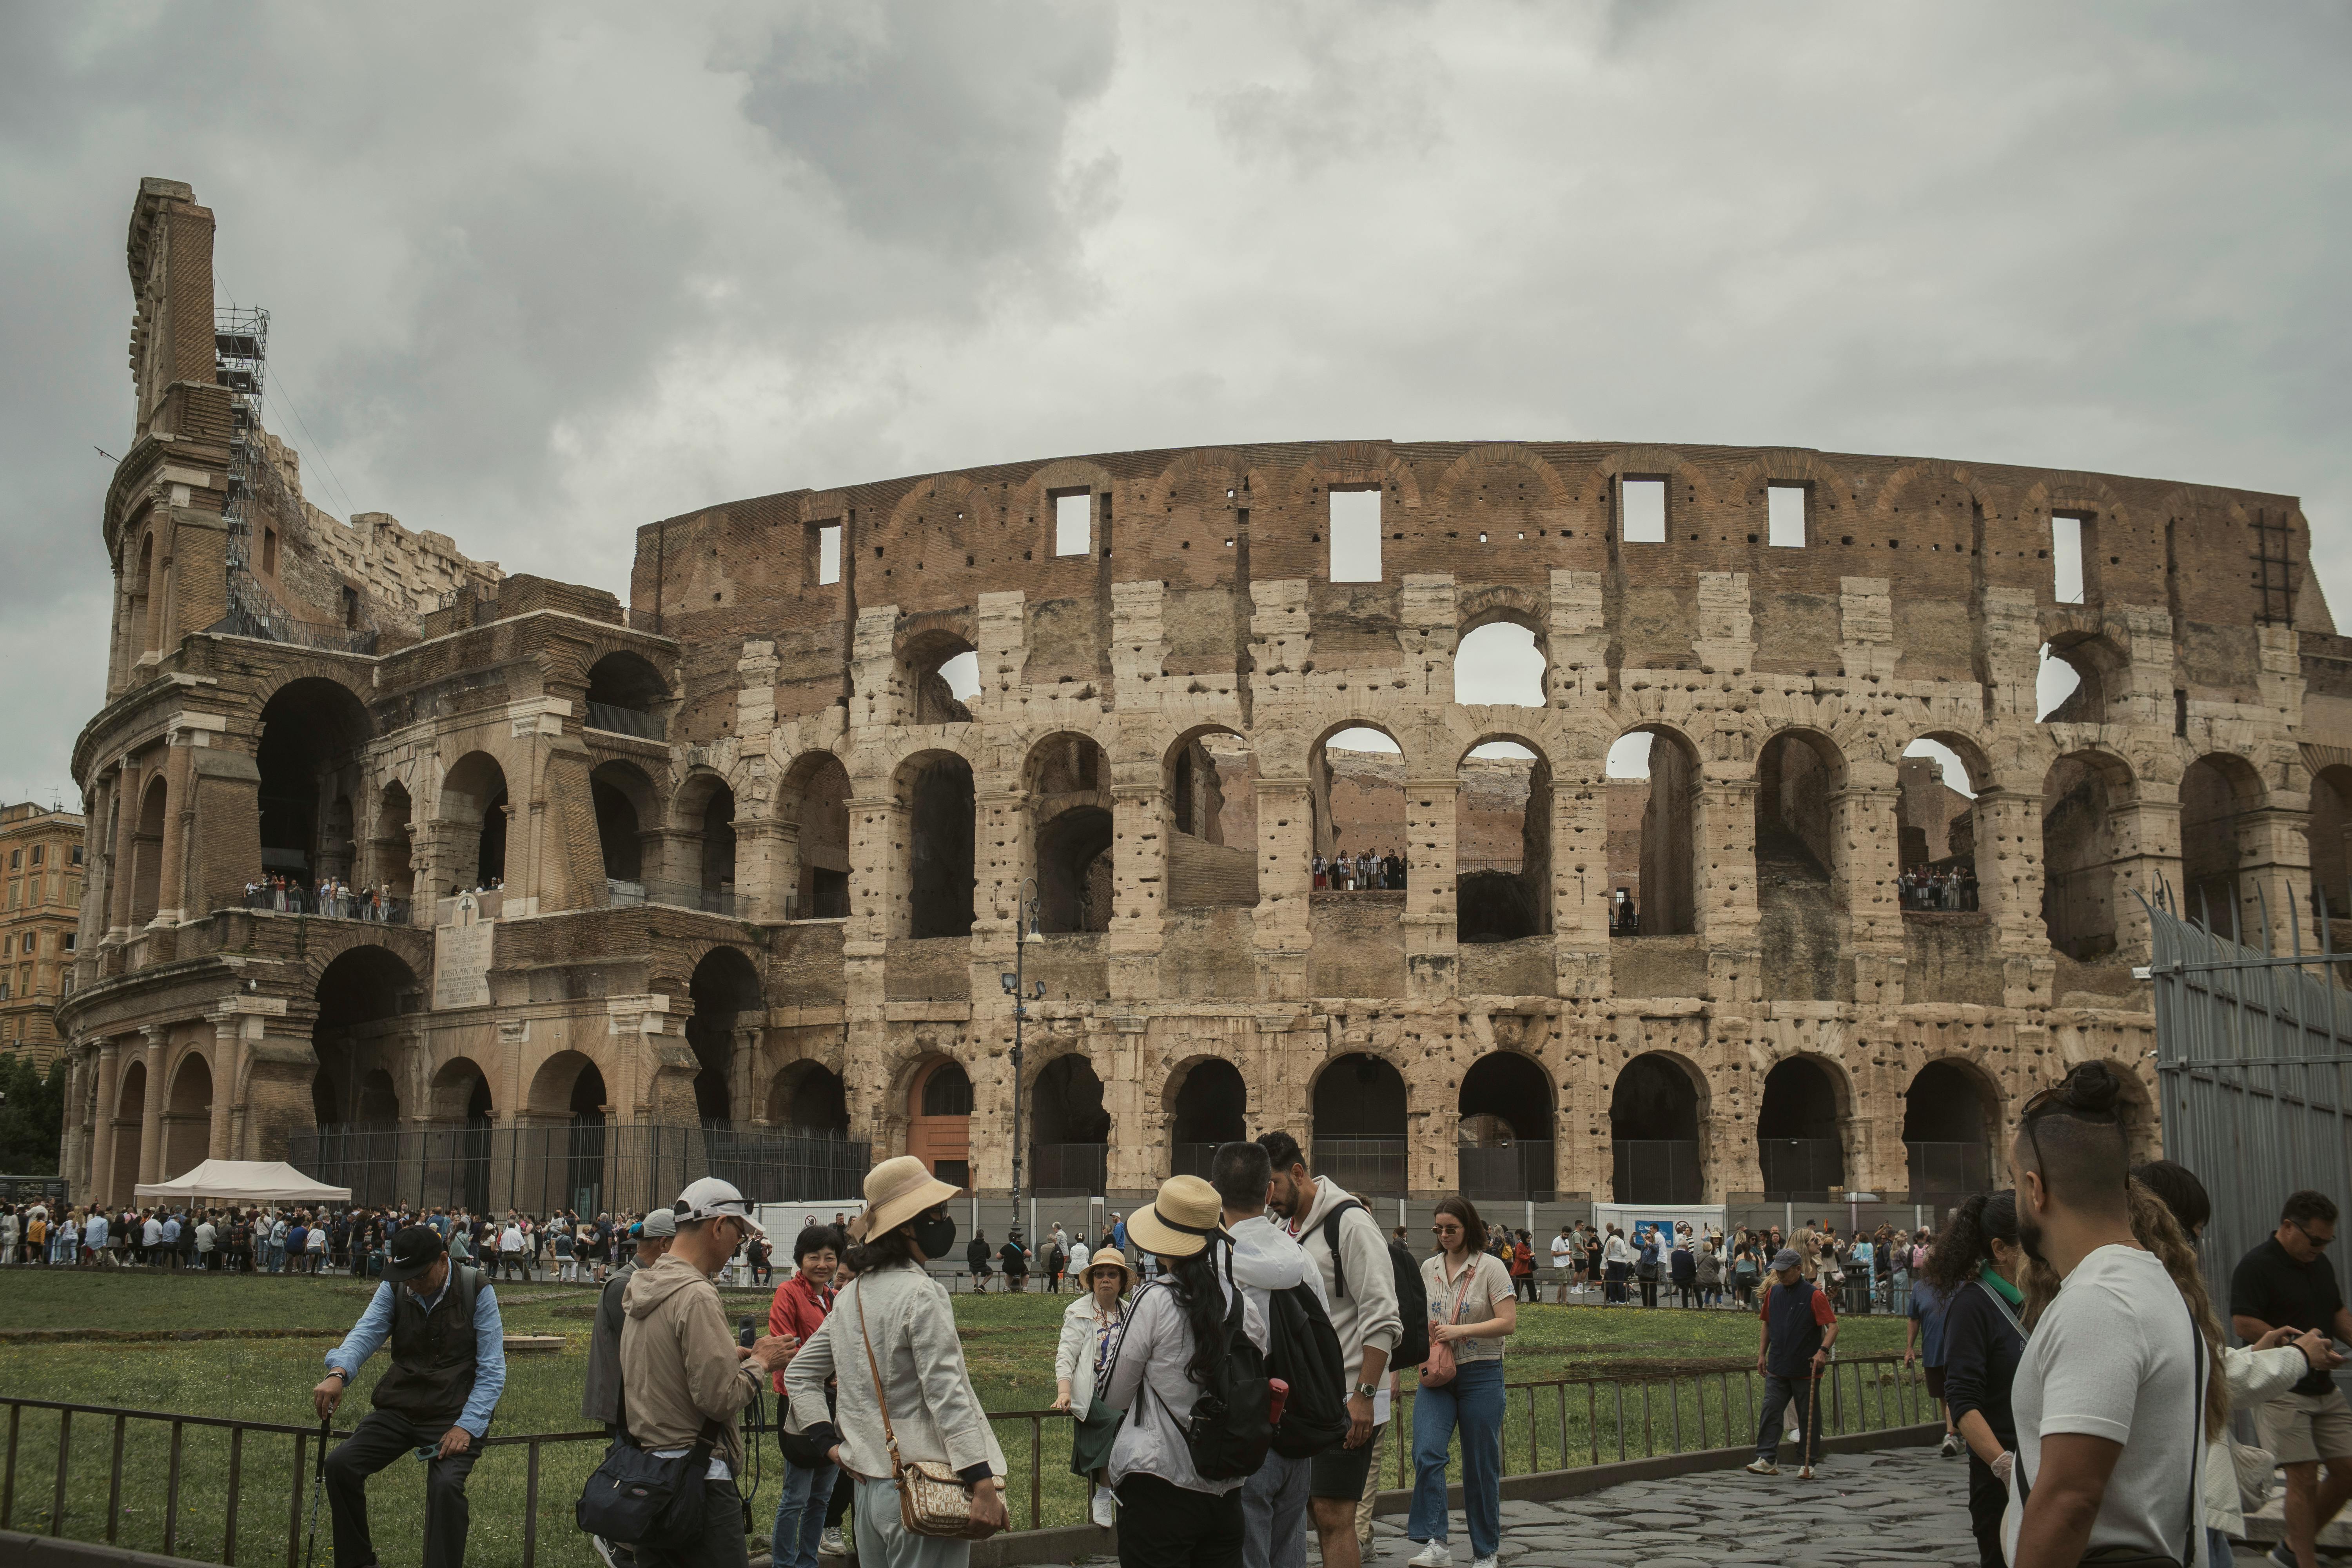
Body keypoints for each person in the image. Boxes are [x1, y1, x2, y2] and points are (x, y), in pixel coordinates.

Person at [2002, 1062, 2223, 1568]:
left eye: (2014, 1182)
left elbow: (2071, 1500)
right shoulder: (2154, 1285)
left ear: (2036, 1189)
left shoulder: (2099, 1303)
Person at [785, 1156, 1010, 1568]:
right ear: (908, 1225)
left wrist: (829, 1445)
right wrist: (981, 1481)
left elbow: (799, 1372)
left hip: (870, 1487)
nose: (945, 1219)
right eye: (938, 1212)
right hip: (924, 1486)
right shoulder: (922, 1294)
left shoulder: (851, 1295)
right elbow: (946, 1392)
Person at [2140, 1161, 2339, 1568]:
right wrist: (2298, 1355)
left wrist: (2259, 1352)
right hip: (2180, 1504)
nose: (2196, 1246)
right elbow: (2206, 1375)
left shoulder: (2162, 1288)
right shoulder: (2154, 1291)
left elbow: (2204, 1363)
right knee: (2300, 1477)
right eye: (2194, 1233)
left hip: (2195, 1500)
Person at [617, 1179, 797, 1568]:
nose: (740, 1243)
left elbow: (658, 1366)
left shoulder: (644, 1285)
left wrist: (723, 1355)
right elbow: (719, 1398)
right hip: (697, 1480)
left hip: (649, 1476)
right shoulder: (697, 1293)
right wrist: (760, 1362)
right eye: (740, 1231)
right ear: (718, 1226)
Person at [313, 1223, 508, 1568]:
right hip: (400, 1407)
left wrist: (467, 1426)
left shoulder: (476, 1288)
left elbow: (492, 1368)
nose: (411, 1283)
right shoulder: (396, 1286)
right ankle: (358, 1563)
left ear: (443, 1260)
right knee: (340, 1465)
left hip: (454, 1413)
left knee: (446, 1488)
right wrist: (337, 1373)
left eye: (418, 1275)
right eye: (405, 1275)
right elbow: (366, 1331)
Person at [1098, 1175, 1258, 1568]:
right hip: (1226, 1492)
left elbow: (1113, 1396)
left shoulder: (1153, 1300)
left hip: (1159, 1486)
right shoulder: (1243, 1307)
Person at [1261, 1132, 1400, 1568]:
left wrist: (1364, 1395)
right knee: (1304, 1510)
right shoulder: (1280, 1226)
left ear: (1298, 1173)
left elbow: (1383, 1316)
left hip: (1347, 1398)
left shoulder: (1352, 1223)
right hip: (1302, 1401)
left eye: (1273, 1185)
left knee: (1333, 1515)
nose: (1269, 1197)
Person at [1215, 1138, 1329, 1568]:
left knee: (1245, 1553)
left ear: (1215, 1190)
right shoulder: (1303, 1259)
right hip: (1298, 1427)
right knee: (1289, 1549)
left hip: (1242, 1432)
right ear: (1268, 1191)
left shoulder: (1215, 1264)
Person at [2229, 1187, 2352, 1568]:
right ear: (2288, 1226)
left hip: (2322, 1385)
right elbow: (2244, 1322)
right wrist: (2301, 1351)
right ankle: (2304, 1562)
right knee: (2302, 1478)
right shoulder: (2256, 1265)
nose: (2320, 1248)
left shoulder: (2318, 1263)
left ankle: (2290, 1549)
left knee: (2348, 1470)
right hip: (2281, 1388)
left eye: (2327, 1241)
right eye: (2315, 1240)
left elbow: (2336, 1311)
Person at [1407, 1195, 1516, 1568]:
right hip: (1438, 1375)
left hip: (1482, 1372)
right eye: (1438, 1228)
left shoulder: (1491, 1268)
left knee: (1480, 1465)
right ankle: (1436, 1542)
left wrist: (1460, 1330)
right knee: (1426, 1452)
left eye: (1451, 1228)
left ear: (1470, 1227)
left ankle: (1486, 1552)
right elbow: (1418, 1318)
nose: (1444, 1234)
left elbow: (1508, 1322)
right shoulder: (1428, 1268)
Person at [1922, 1192, 2029, 1568]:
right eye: (2033, 1241)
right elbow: (1963, 1400)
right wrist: (2004, 1466)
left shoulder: (2039, 1299)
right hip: (2002, 1479)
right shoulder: (1973, 1305)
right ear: (2001, 1249)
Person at [769, 1224, 843, 1568]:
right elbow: (783, 1345)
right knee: (795, 1496)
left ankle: (808, 1560)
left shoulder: (834, 1298)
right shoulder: (788, 1292)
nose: (822, 1264)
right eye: (814, 1257)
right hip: (801, 1402)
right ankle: (784, 1564)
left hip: (835, 1405)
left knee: (822, 1497)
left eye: (830, 1257)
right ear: (801, 1259)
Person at [1053, 1243, 1138, 1529]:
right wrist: (1064, 1391)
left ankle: (1133, 1496)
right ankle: (1104, 1494)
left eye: (1112, 1274)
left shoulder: (1130, 1312)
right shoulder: (1078, 1312)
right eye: (1099, 1274)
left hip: (1126, 1390)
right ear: (1091, 1281)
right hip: (1092, 1392)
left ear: (1121, 1282)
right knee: (1118, 1422)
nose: (1105, 1279)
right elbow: (1066, 1354)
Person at [1744, 1247, 1837, 1478]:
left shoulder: (1814, 1295)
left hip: (1806, 1367)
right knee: (1771, 1411)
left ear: (1798, 1269)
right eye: (1778, 1271)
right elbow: (1766, 1324)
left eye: (1785, 1271)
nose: (1781, 1275)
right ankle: (1767, 1459)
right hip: (1778, 1365)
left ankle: (1808, 1463)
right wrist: (1762, 1355)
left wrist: (1822, 1352)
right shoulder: (1773, 1294)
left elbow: (1833, 1327)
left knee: (1808, 1416)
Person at [582, 1206, 672, 1430]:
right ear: (663, 1244)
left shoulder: (643, 1279)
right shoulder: (623, 1285)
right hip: (625, 1403)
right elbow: (646, 1345)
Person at [1602, 1224, 1632, 1306]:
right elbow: (1623, 1254)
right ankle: (1622, 1300)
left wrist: (1611, 1257)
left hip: (1611, 1262)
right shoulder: (1621, 1241)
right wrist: (1626, 1251)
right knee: (1620, 1281)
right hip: (1620, 1262)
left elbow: (1605, 1254)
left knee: (1612, 1281)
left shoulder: (1609, 1241)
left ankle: (1613, 1299)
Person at [1549, 1226, 1574, 1304]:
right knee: (1564, 1284)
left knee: (1563, 1283)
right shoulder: (1556, 1241)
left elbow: (1566, 1253)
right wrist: (1565, 1253)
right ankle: (1565, 1301)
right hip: (1560, 1265)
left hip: (1566, 1264)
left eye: (1568, 1235)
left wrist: (1571, 1261)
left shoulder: (1567, 1241)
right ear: (1562, 1232)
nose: (1566, 1236)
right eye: (1565, 1234)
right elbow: (1553, 1253)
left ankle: (1558, 1300)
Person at [1508, 1230, 1535, 1305]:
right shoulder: (1520, 1245)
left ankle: (1533, 1299)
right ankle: (1516, 1300)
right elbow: (1520, 1257)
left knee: (1531, 1284)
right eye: (1528, 1238)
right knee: (1519, 1285)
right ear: (1525, 1238)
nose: (1529, 1240)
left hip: (1527, 1268)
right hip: (1521, 1268)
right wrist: (1530, 1255)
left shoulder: (1526, 1244)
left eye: (1530, 1238)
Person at [967, 1229, 993, 1294]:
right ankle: (982, 1286)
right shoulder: (986, 1245)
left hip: (973, 1266)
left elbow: (969, 1256)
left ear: (976, 1235)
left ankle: (975, 1285)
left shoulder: (970, 1244)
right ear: (983, 1236)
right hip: (982, 1266)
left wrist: (971, 1262)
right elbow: (989, 1256)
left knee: (974, 1272)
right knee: (990, 1273)